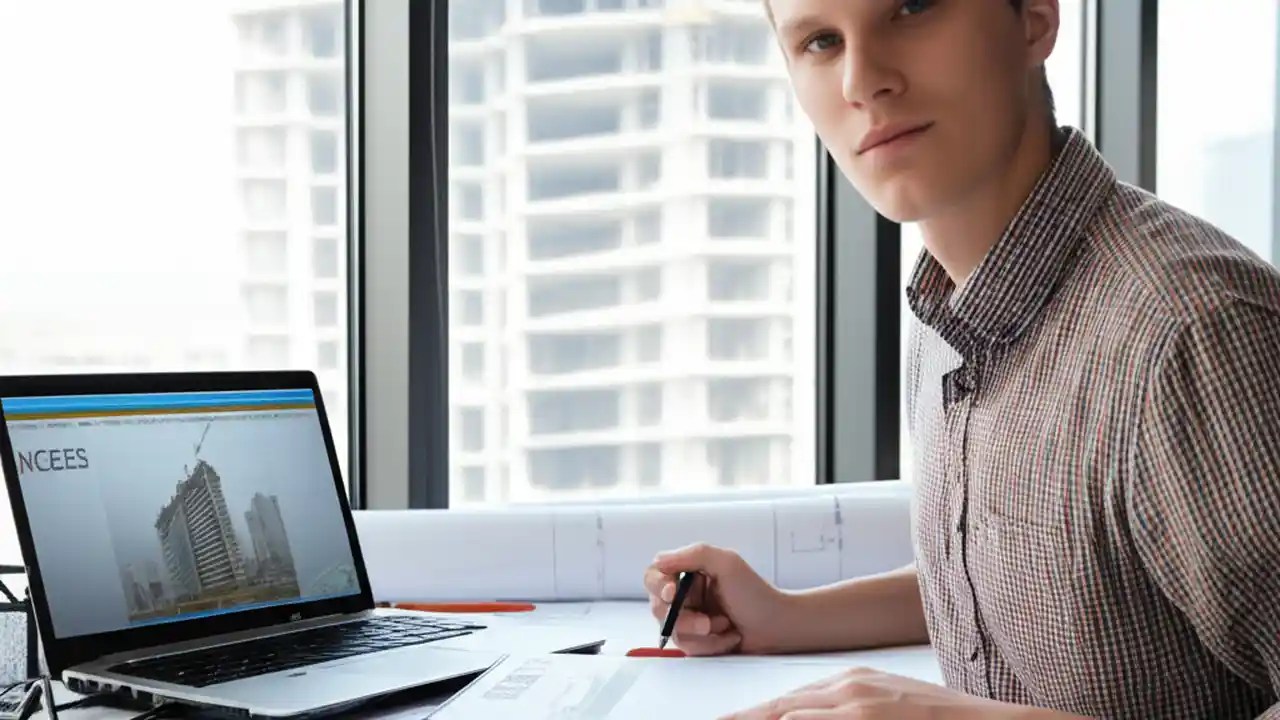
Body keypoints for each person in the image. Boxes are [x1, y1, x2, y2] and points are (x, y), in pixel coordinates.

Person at [644, 0, 1280, 718]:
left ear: (1034, 19)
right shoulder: (948, 307)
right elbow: (1023, 571)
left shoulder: (1192, 337)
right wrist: (786, 617)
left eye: (912, 8)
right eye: (821, 41)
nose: (862, 80)